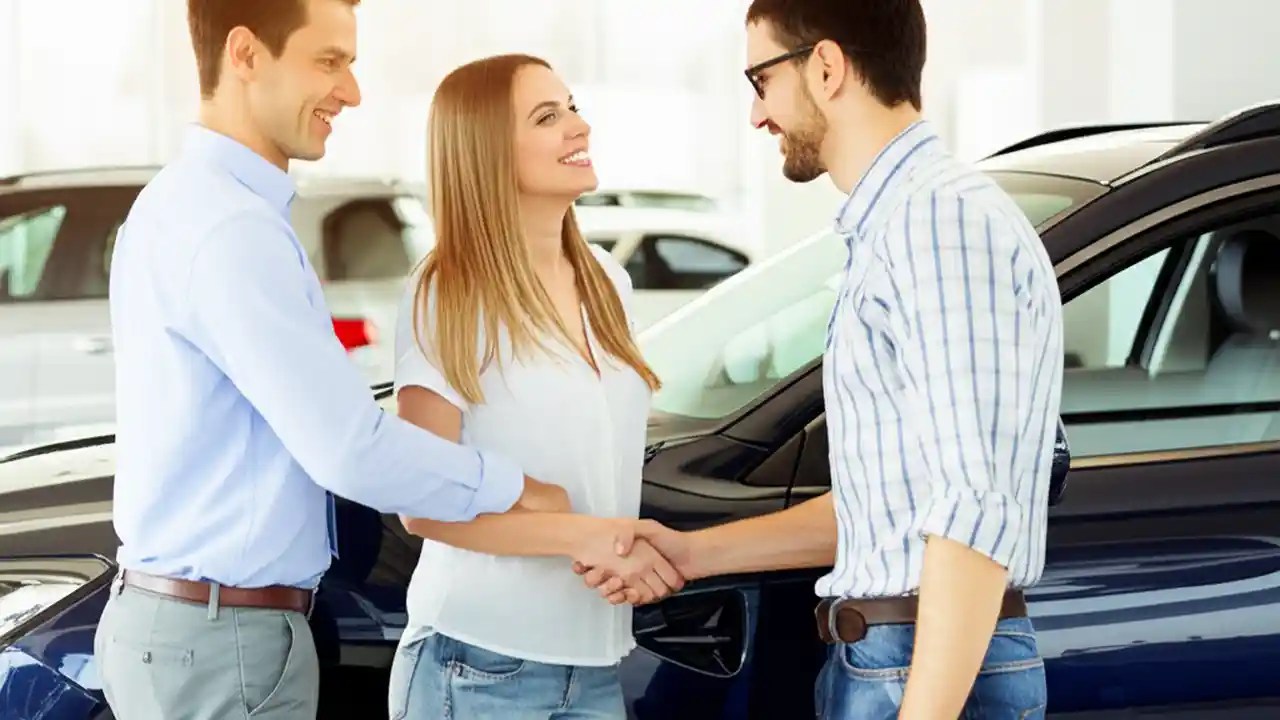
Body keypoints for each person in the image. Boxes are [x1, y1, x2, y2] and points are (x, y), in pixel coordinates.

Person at [578, 1, 1065, 718]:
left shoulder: (939, 224)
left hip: (917, 669)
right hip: (883, 658)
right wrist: (691, 555)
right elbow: (888, 509)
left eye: (760, 79)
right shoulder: (903, 224)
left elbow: (971, 508)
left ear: (828, 67)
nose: (756, 115)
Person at [94, 2, 569, 719]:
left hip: (201, 631)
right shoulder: (230, 228)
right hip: (225, 645)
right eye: (329, 61)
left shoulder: (185, 203)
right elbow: (350, 451)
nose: (351, 92)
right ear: (246, 55)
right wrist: (520, 487)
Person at [383, 53, 682, 720]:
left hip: (597, 661)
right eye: (549, 117)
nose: (579, 126)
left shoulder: (608, 280)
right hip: (479, 662)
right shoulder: (447, 291)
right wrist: (580, 535)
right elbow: (422, 501)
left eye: (572, 107)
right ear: (487, 153)